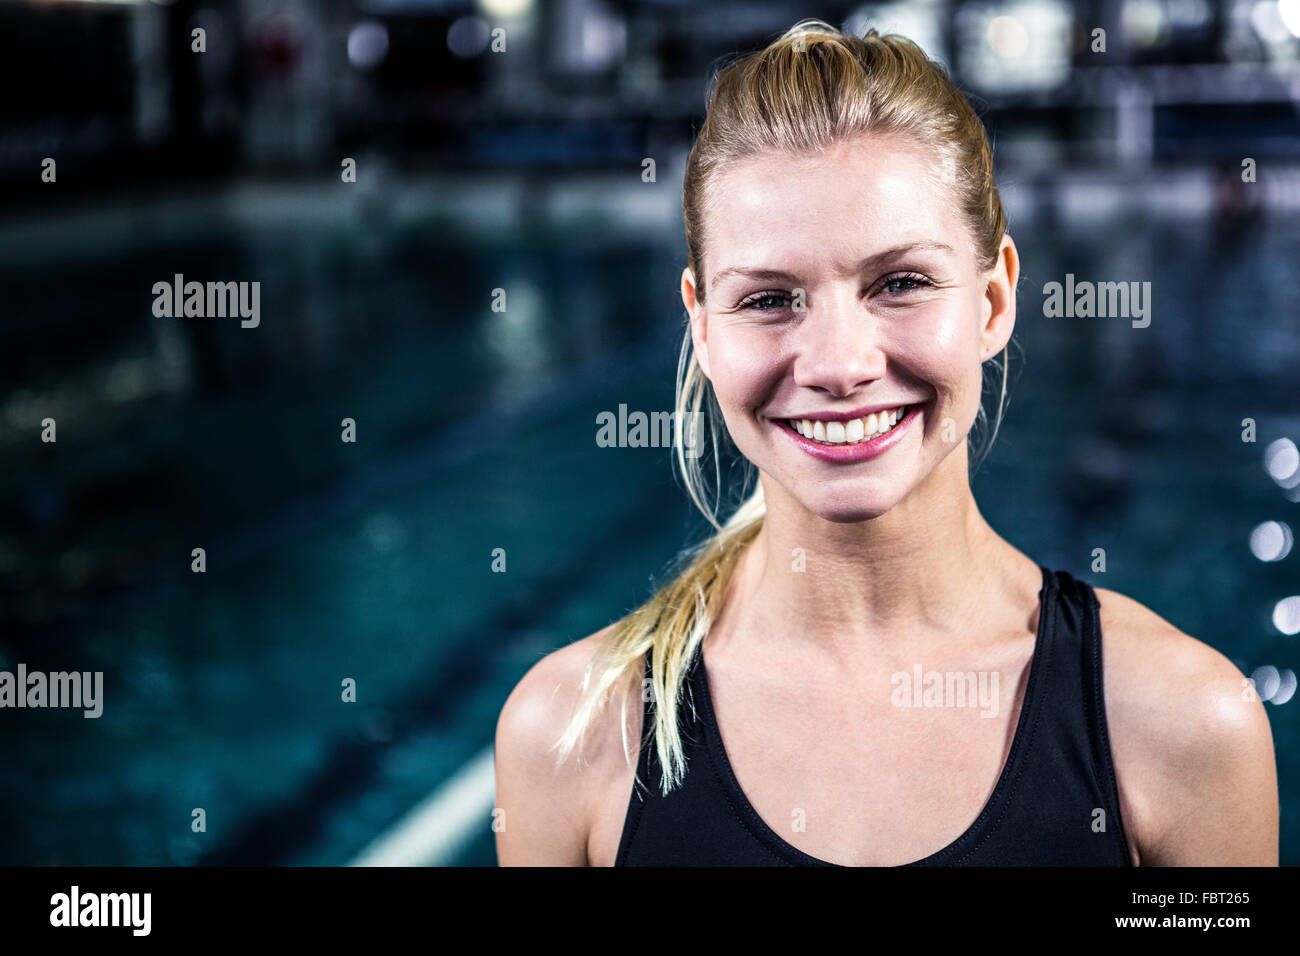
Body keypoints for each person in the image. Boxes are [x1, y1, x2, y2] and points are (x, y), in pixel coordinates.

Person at [493, 19, 1278, 866]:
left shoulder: (1184, 726)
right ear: (702, 326)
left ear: (993, 301)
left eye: (900, 283)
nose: (837, 365)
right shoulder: (569, 736)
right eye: (768, 299)